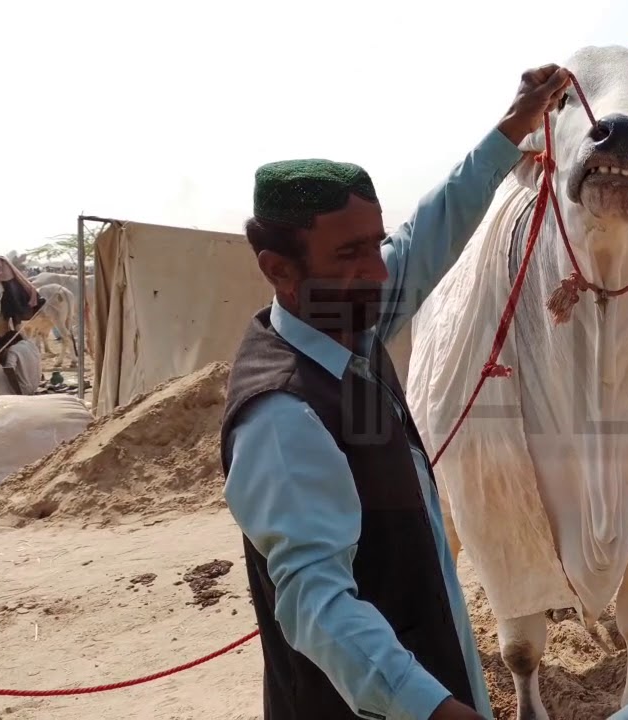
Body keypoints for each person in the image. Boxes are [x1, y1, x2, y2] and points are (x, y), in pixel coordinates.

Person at [219, 64, 571, 720]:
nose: (379, 270)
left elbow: (433, 230)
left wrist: (515, 125)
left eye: (376, 244)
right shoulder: (283, 415)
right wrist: (435, 710)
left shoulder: (349, 321)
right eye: (350, 253)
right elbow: (318, 606)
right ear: (278, 270)